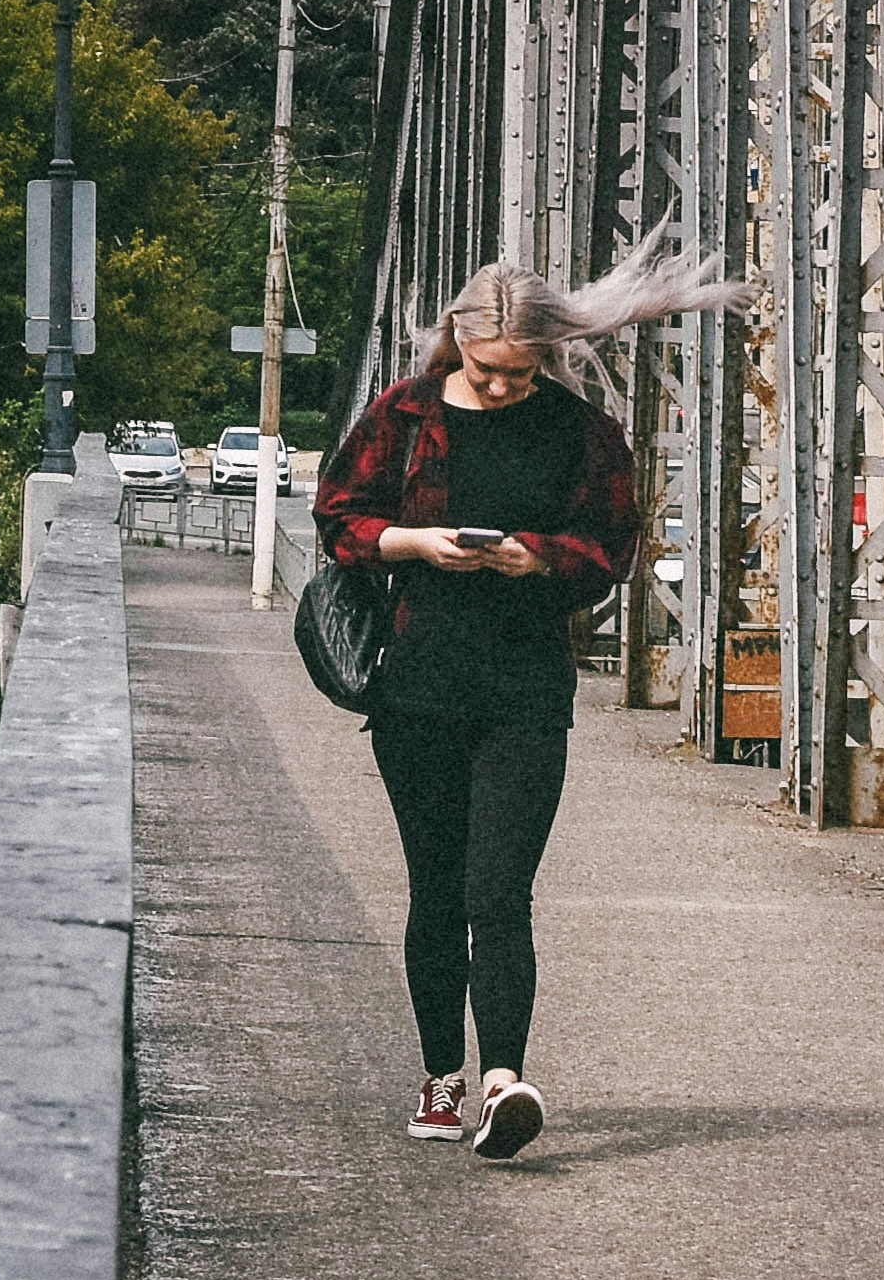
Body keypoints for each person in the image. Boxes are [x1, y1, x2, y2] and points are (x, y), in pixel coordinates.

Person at [311, 245, 735, 1162]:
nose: (499, 388)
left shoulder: (583, 433)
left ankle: (502, 1080)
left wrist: (535, 556)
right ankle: (439, 1081)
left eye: (517, 373)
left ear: (546, 356)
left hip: (525, 691)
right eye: (483, 370)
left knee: (497, 890)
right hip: (416, 684)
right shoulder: (406, 415)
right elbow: (337, 515)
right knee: (434, 892)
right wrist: (412, 541)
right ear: (455, 344)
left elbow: (609, 549)